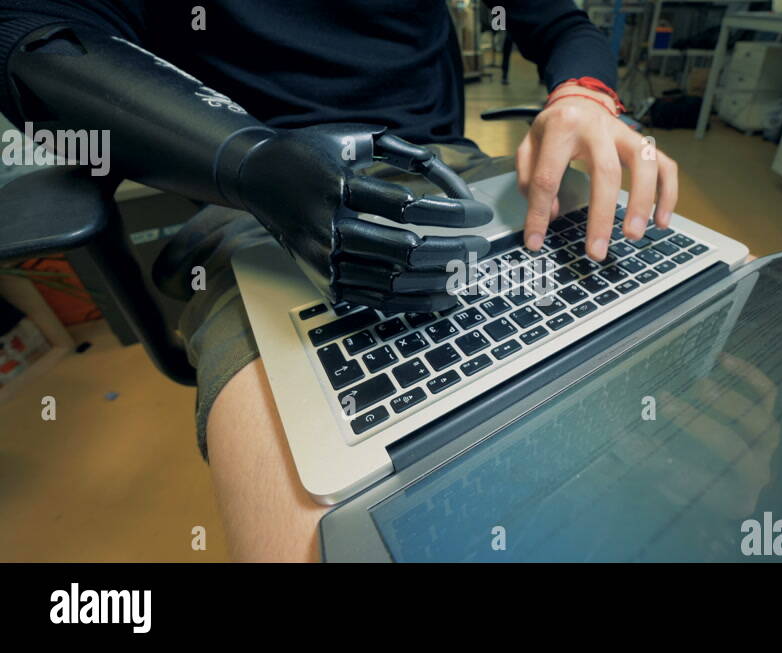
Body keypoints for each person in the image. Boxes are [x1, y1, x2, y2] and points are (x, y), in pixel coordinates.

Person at [0, 1, 679, 561]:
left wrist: (584, 97)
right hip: (257, 198)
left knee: (662, 433)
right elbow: (33, 32)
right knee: (328, 528)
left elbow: (560, 22)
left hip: (451, 174)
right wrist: (251, 161)